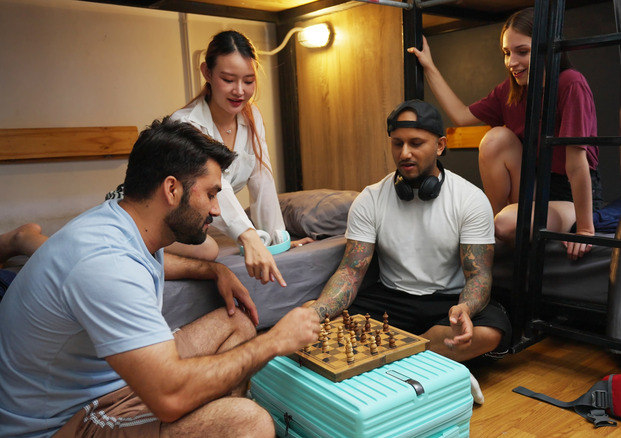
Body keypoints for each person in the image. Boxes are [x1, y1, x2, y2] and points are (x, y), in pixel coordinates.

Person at [0, 117, 320, 437]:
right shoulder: (105, 264)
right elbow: (169, 397)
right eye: (210, 194)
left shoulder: (124, 223)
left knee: (238, 323)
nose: (217, 210)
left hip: (113, 379)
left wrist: (214, 269)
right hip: (63, 421)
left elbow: (141, 264)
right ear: (171, 189)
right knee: (248, 422)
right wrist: (275, 341)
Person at [306, 100, 512, 404]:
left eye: (416, 143)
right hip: (391, 301)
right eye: (397, 143)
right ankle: (432, 365)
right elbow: (351, 271)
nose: (404, 153)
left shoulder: (470, 199)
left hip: (448, 303)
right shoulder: (370, 199)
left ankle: (387, 360)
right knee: (318, 319)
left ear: (440, 145)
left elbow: (479, 274)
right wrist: (317, 311)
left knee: (491, 331)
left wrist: (465, 308)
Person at [407, 8, 602, 261]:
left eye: (522, 52)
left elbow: (577, 165)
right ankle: (493, 226)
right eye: (507, 53)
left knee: (508, 224)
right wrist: (429, 66)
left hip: (568, 194)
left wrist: (585, 230)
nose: (511, 62)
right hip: (532, 184)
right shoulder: (510, 92)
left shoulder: (570, 83)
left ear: (547, 47)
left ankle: (498, 225)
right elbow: (462, 116)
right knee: (495, 138)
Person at [170, 30, 312, 284]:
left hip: (195, 222)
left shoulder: (252, 117)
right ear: (207, 73)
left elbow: (262, 179)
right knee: (208, 249)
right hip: (168, 216)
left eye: (248, 81)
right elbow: (213, 188)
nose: (239, 91)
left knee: (210, 245)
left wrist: (277, 239)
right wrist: (248, 235)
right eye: (228, 79)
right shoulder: (185, 124)